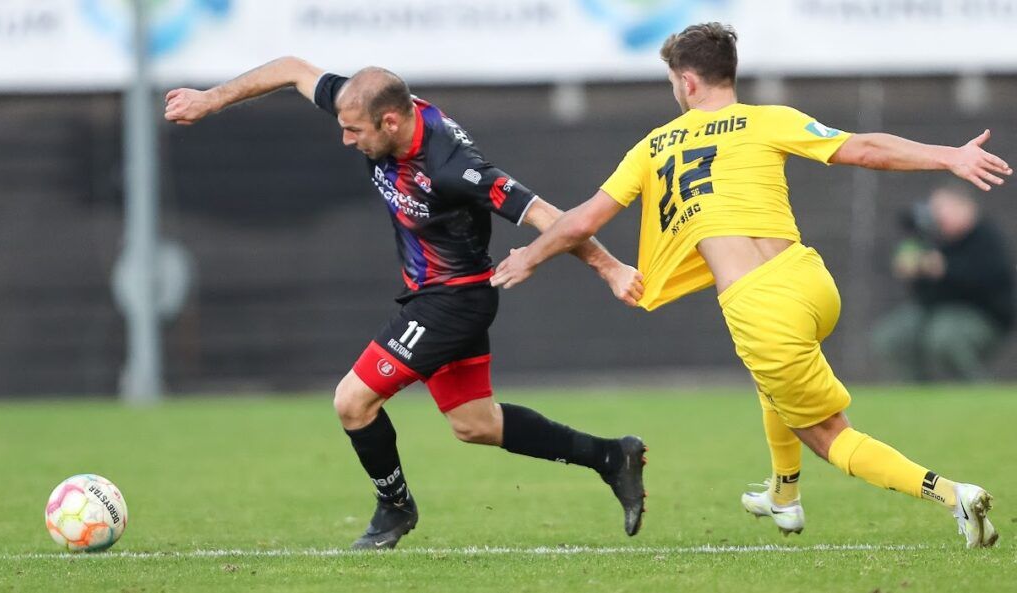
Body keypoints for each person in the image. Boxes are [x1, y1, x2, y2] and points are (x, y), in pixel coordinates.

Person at [491, 23, 1011, 548]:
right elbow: (865, 148)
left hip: (759, 305)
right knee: (770, 380)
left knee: (830, 436)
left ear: (687, 82)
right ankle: (784, 495)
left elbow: (581, 221)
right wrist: (949, 155)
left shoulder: (653, 147)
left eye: (673, 81)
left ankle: (954, 495)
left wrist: (529, 256)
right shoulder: (768, 119)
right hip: (809, 280)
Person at [163, 58, 647, 549]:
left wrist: (608, 268)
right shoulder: (366, 102)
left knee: (352, 402)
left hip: (452, 302)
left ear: (390, 122)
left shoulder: (453, 166)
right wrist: (210, 99)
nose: (346, 139)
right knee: (475, 424)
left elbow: (548, 215)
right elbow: (291, 69)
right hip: (438, 295)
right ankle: (612, 456)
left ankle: (394, 507)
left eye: (354, 131)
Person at [873, 185, 1014, 382]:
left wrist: (944, 268)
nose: (936, 216)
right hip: (933, 312)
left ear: (966, 208)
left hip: (982, 315)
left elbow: (988, 278)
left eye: (942, 209)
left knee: (945, 336)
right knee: (893, 336)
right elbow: (921, 282)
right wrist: (913, 267)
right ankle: (914, 392)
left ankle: (974, 391)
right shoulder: (932, 238)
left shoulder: (986, 237)